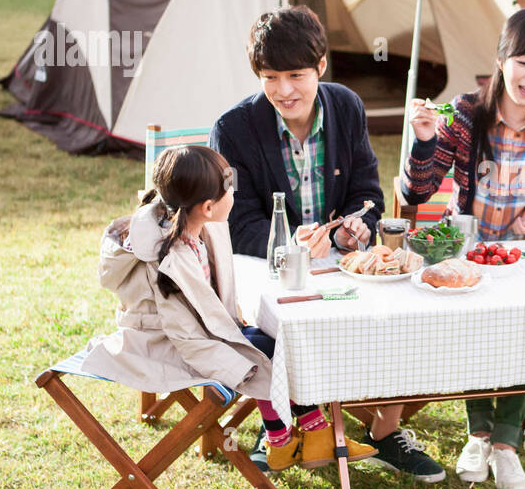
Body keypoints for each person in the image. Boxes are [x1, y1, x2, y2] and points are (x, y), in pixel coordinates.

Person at [211, 5, 446, 482]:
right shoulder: (233, 128)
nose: (284, 90)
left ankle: (384, 431)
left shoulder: (345, 105)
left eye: (296, 74)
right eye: (270, 77)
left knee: (405, 309)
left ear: (320, 66)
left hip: (343, 264)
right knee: (283, 320)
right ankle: (280, 422)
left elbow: (367, 193)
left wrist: (355, 227)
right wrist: (288, 242)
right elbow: (233, 223)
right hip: (267, 267)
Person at [81, 144, 376, 470]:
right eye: (231, 191)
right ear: (208, 206)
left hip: (205, 329)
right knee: (264, 353)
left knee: (276, 343)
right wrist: (239, 363)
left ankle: (303, 436)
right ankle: (289, 439)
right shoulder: (167, 258)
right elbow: (185, 338)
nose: (235, 196)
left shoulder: (197, 228)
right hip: (165, 345)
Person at [404, 8, 525, 489]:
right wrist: (423, 141)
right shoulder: (465, 115)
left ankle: (505, 443)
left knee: (523, 333)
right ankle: (477, 434)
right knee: (475, 332)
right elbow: (418, 190)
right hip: (472, 254)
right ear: (502, 59)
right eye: (524, 61)